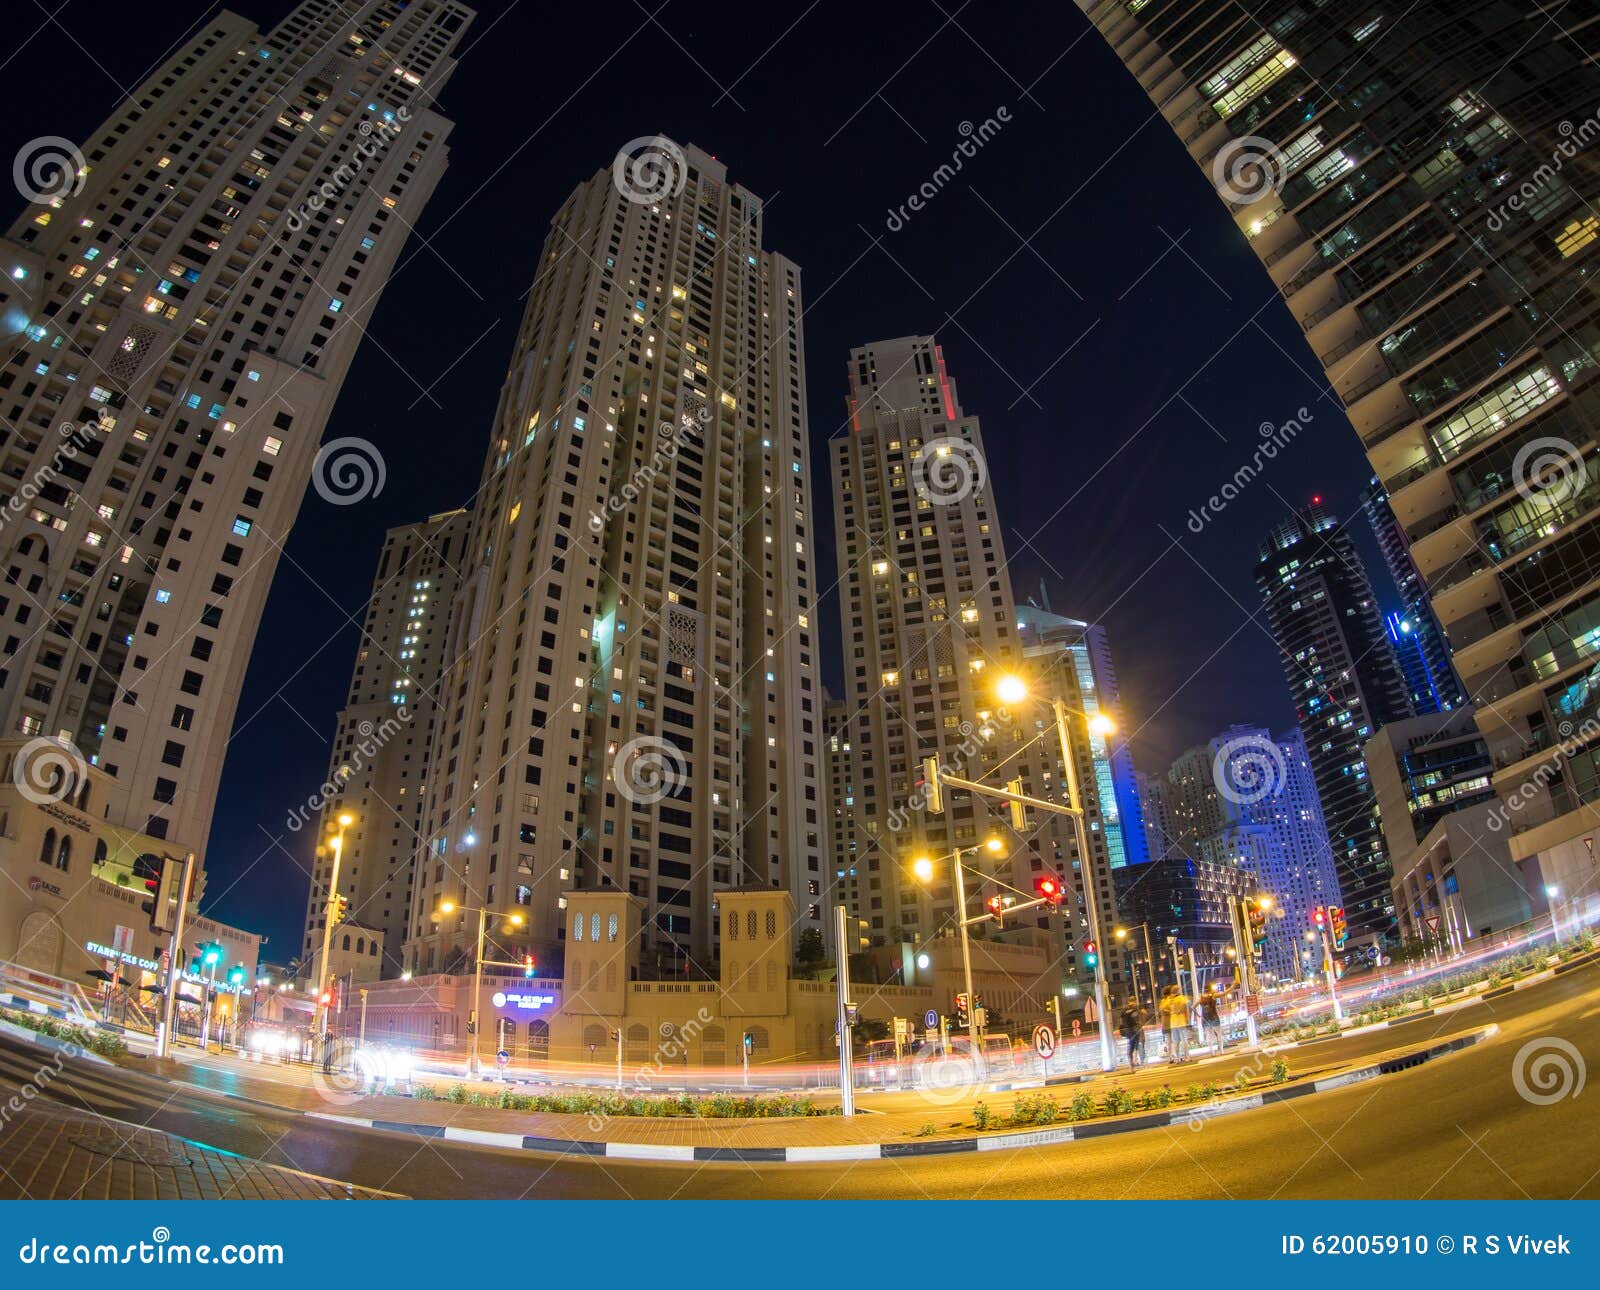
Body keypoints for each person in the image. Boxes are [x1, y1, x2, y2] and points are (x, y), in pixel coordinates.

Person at [1161, 984, 1192, 1064]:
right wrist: (1181, 1010)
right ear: (1178, 991)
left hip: (1173, 1023)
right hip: (1181, 1021)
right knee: (1184, 1040)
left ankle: (1177, 1058)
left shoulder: (1169, 1000)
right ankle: (1187, 1056)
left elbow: (1162, 1007)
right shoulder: (1181, 998)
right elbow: (1189, 1003)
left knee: (1176, 1042)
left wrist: (1171, 1011)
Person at [1118, 998, 1146, 1068]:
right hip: (1134, 1029)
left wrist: (1122, 1029)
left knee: (1132, 1045)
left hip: (1128, 1030)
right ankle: (1136, 1061)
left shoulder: (1124, 1010)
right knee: (1137, 1044)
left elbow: (1121, 1020)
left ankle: (1133, 1061)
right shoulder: (1135, 1009)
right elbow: (1140, 1015)